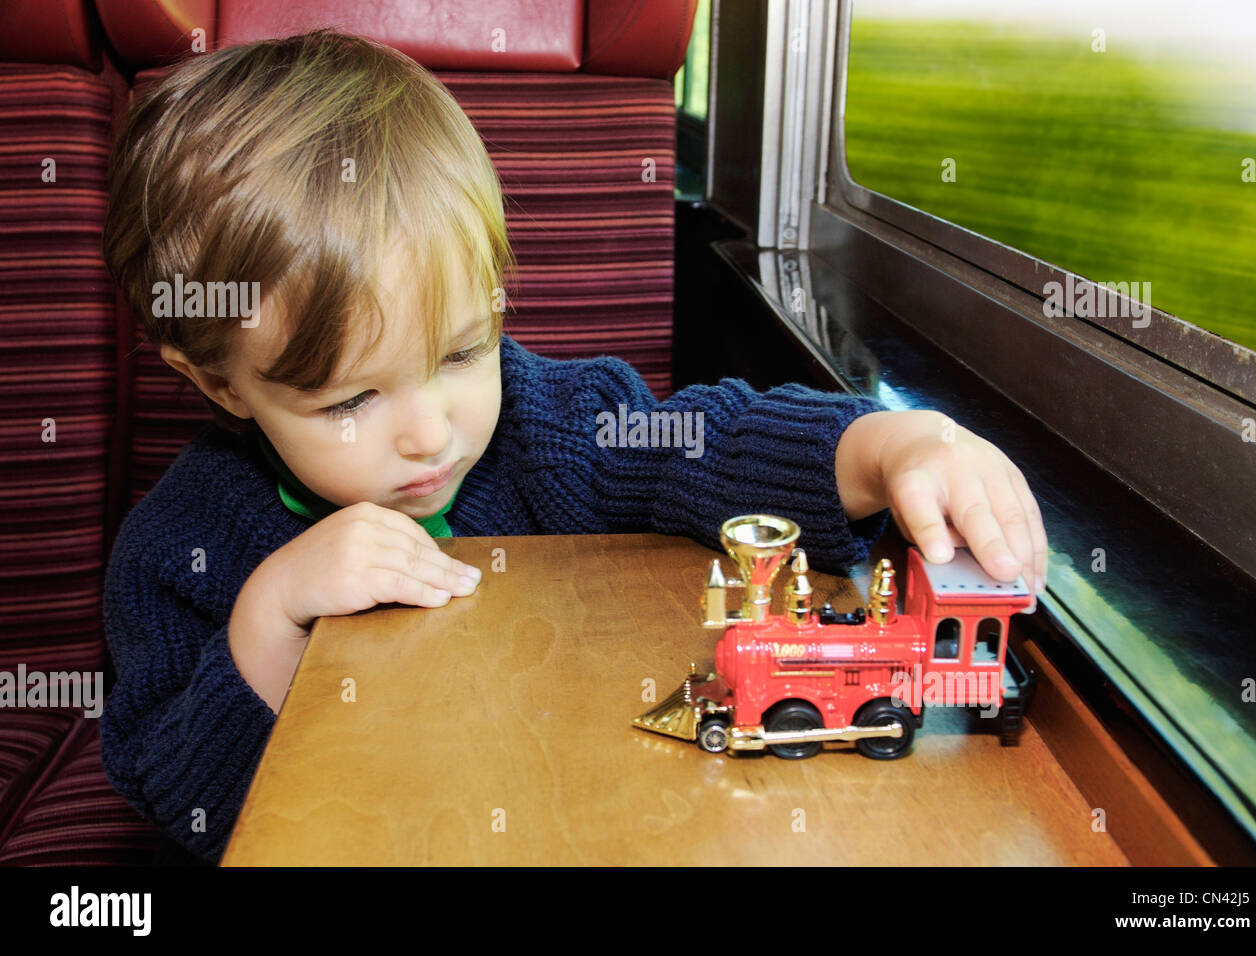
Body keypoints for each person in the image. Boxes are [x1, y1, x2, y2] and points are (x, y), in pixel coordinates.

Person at [99, 30, 1048, 864]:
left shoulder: (552, 428)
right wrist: (269, 623)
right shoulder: (179, 554)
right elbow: (185, 812)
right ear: (221, 382)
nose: (430, 431)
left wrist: (888, 445)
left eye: (463, 351)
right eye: (350, 399)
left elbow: (708, 444)